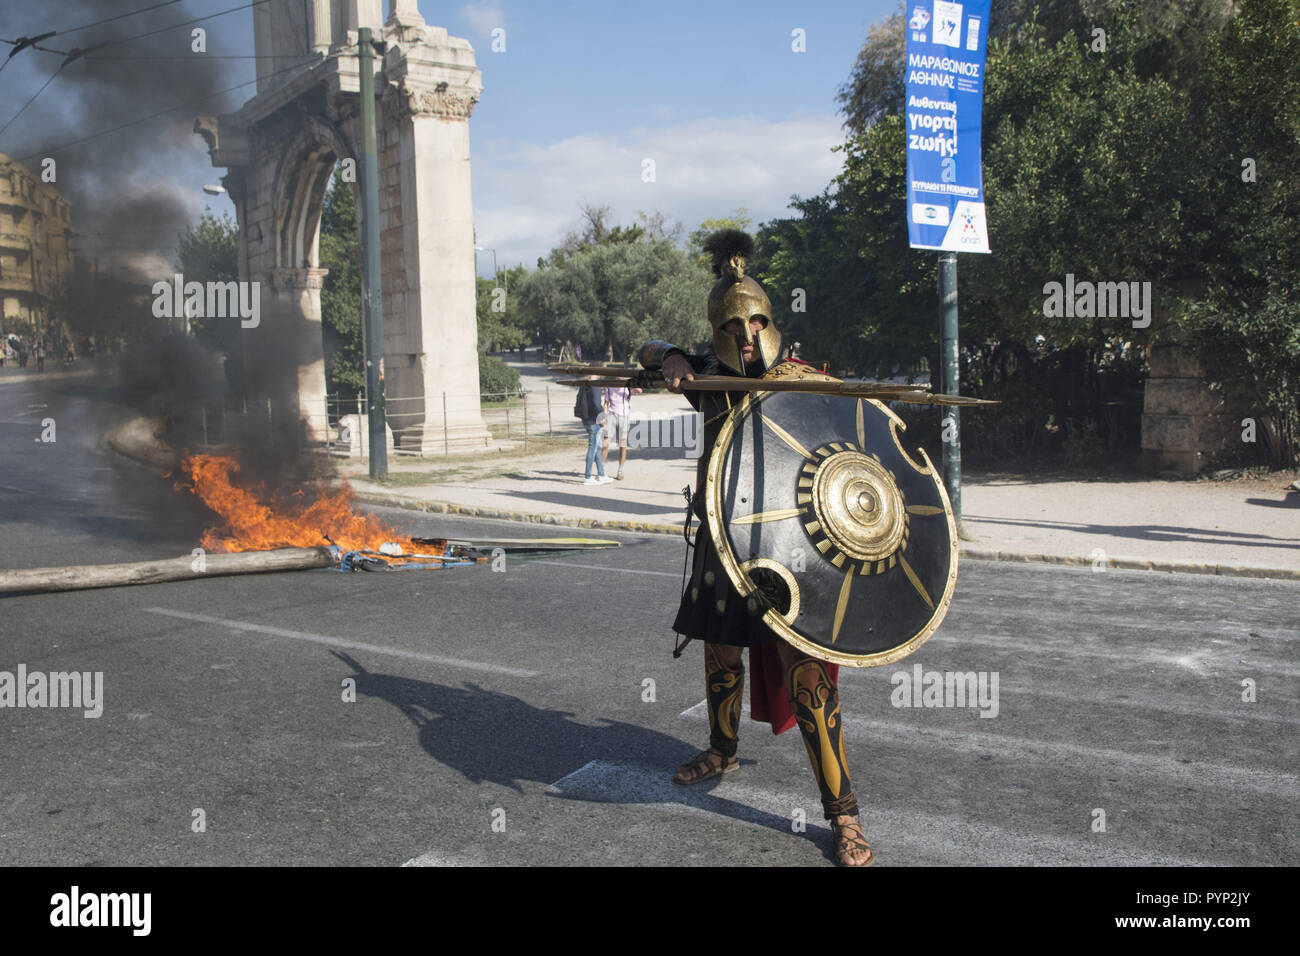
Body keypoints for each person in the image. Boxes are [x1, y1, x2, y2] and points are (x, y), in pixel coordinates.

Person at [641, 229, 873, 867]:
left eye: (758, 322)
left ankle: (844, 816)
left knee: (809, 677)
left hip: (788, 553)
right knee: (720, 653)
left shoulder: (801, 379)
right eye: (734, 326)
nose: (747, 337)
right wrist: (669, 358)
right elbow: (645, 349)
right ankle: (722, 747)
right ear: (716, 332)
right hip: (724, 541)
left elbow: (846, 442)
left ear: (772, 322)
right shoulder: (708, 382)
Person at [600, 384, 641, 480]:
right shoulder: (610, 387)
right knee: (605, 444)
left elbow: (639, 390)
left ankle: (620, 470)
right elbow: (606, 404)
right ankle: (601, 470)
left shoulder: (628, 387)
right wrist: (604, 416)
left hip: (624, 417)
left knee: (622, 445)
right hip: (611, 416)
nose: (620, 377)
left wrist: (632, 385)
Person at [575, 381, 612, 485]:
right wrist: (602, 418)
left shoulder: (583, 384)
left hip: (586, 419)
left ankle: (601, 474)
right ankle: (588, 476)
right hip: (593, 420)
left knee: (598, 448)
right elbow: (597, 403)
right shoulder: (595, 385)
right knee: (593, 447)